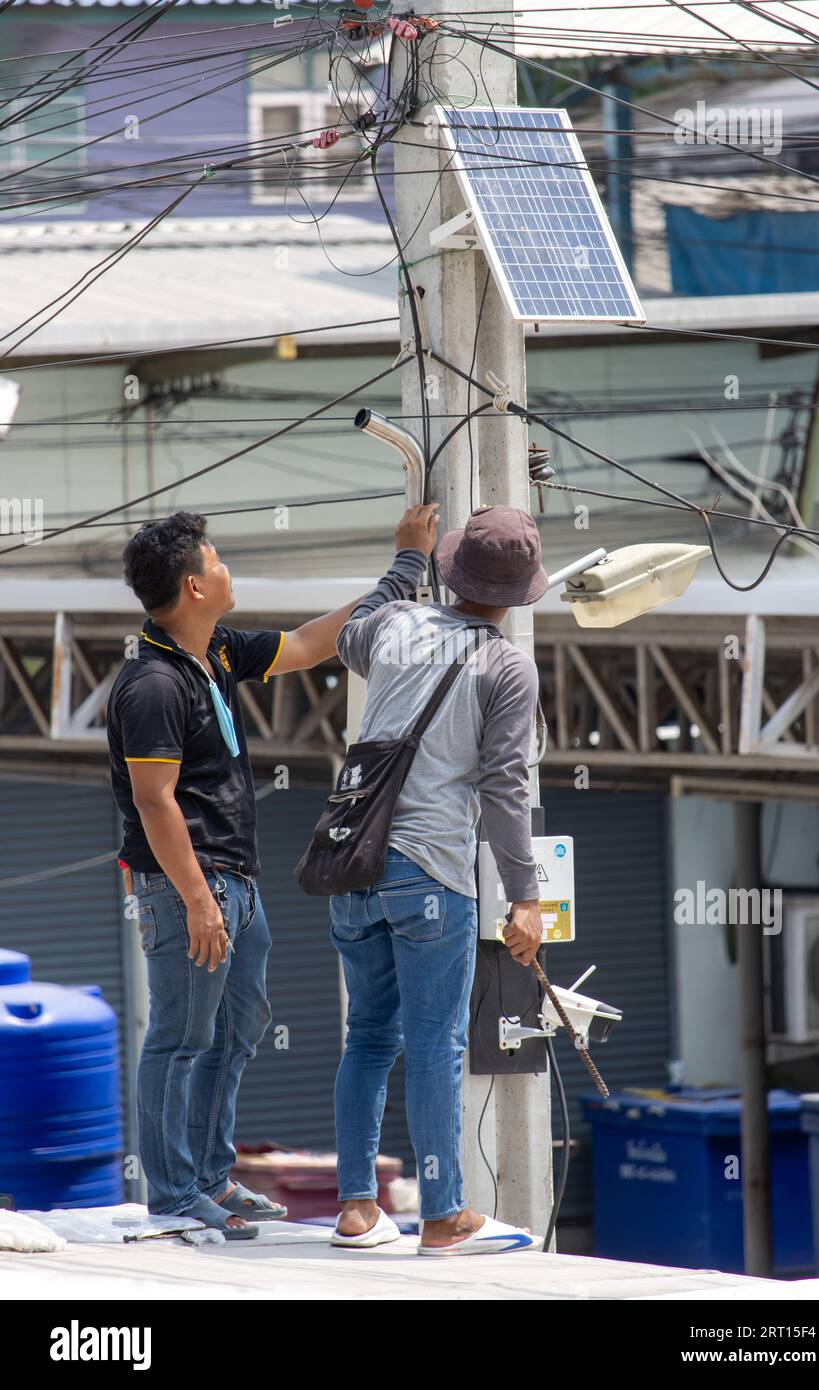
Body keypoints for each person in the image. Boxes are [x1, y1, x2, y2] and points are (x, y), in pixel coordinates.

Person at [107, 509, 405, 1239]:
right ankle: (174, 1194)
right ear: (193, 586)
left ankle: (211, 1176)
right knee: (179, 1036)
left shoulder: (215, 652)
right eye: (217, 561)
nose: (227, 569)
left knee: (236, 1028)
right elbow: (153, 801)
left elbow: (308, 643)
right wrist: (197, 899)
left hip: (234, 883)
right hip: (190, 887)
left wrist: (400, 579)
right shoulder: (152, 683)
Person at [329, 504, 546, 1255]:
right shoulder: (507, 667)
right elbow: (505, 787)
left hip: (351, 862)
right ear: (518, 594)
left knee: (366, 1036)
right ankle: (443, 1215)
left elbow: (350, 634)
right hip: (430, 874)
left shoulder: (396, 624)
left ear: (450, 572)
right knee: (433, 1044)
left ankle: (357, 1208)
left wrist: (404, 559)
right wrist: (525, 896)